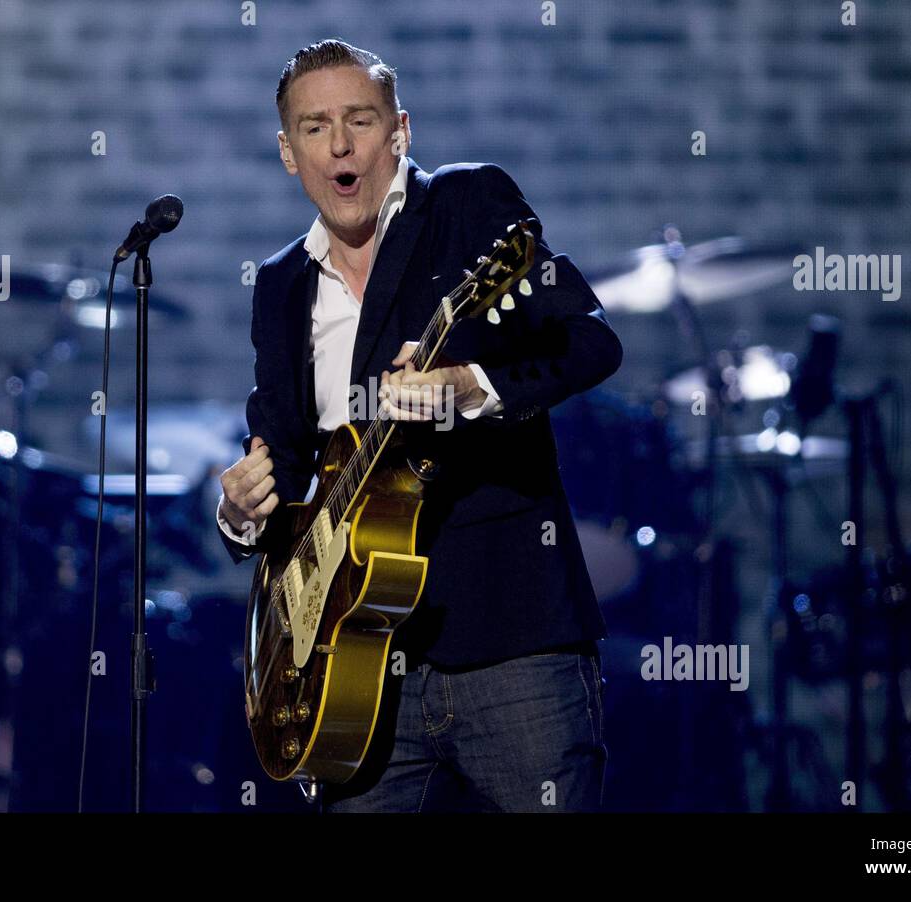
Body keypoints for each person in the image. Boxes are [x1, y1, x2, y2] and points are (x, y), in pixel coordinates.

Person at [216, 39, 623, 812]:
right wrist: (240, 513)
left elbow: (592, 341)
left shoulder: (469, 206)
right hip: (355, 676)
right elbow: (283, 459)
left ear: (400, 130)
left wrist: (470, 384)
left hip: (511, 646)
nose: (339, 145)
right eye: (313, 127)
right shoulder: (279, 286)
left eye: (359, 121)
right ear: (286, 152)